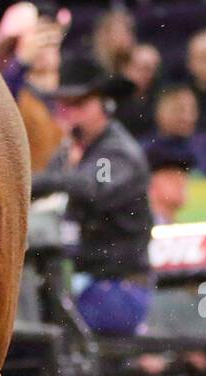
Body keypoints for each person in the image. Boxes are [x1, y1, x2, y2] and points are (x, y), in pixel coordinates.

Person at [31, 57, 153, 336]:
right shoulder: (70, 152)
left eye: (80, 104)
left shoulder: (121, 152)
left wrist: (35, 182)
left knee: (49, 328)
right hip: (79, 281)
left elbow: (94, 187)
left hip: (118, 288)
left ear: (105, 105)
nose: (70, 114)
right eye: (65, 105)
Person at [141, 85, 206, 177]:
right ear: (159, 112)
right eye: (179, 110)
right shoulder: (144, 151)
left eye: (192, 109)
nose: (187, 117)